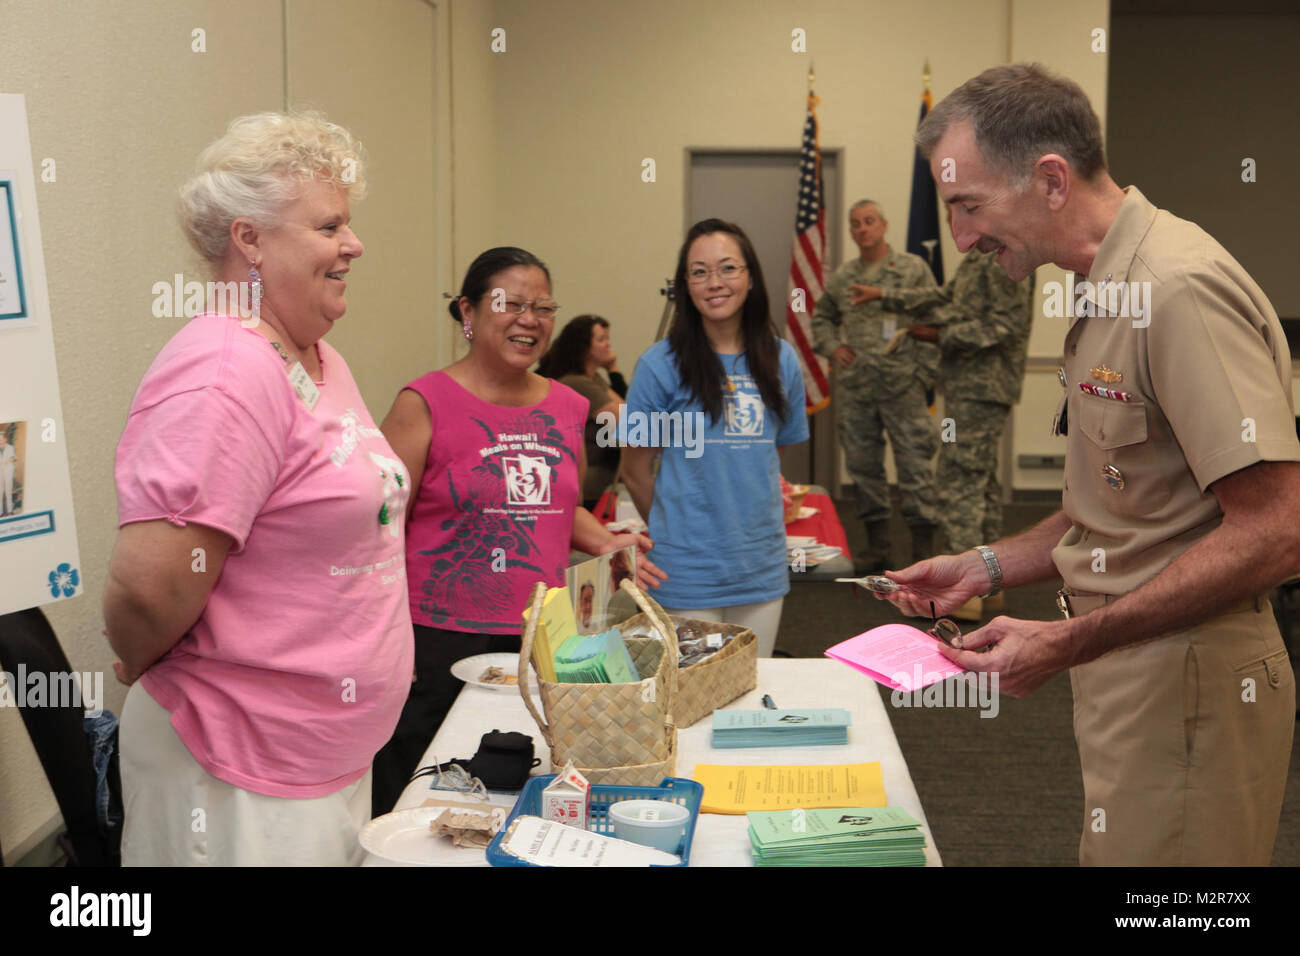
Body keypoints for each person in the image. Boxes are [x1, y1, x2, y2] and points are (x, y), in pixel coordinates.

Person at [882, 63, 1298, 866]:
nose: (963, 238)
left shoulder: (1172, 289)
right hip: (1137, 669)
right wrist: (987, 564)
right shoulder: (1104, 290)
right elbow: (1115, 504)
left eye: (969, 206)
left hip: (1191, 679)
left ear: (1048, 179)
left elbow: (1279, 529)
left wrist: (1070, 641)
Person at [104, 112, 409, 865]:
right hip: (238, 770)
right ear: (250, 240)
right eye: (329, 225)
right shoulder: (223, 367)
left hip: (320, 760)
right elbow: (148, 593)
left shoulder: (317, 358)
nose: (353, 244)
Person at [373, 247, 664, 816]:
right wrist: (378, 631)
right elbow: (377, 525)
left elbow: (550, 504)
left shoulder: (567, 405)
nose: (529, 319)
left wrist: (606, 541)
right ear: (468, 312)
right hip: (436, 638)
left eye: (543, 307)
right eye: (510, 303)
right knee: (423, 787)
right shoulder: (423, 402)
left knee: (523, 780)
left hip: (541, 633)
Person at [622, 218, 808, 658]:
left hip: (759, 565)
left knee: (749, 689)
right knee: (692, 700)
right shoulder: (659, 365)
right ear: (685, 286)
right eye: (699, 272)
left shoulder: (782, 360)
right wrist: (676, 531)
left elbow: (769, 457)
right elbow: (633, 471)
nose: (714, 282)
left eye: (727, 268)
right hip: (685, 569)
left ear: (750, 278)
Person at [853, 219, 1034, 621]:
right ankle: (988, 588)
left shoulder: (1007, 257)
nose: (959, 228)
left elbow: (1006, 326)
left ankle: (962, 594)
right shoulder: (981, 259)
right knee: (981, 483)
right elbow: (944, 298)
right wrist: (883, 295)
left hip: (982, 388)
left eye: (966, 214)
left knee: (959, 483)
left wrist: (938, 336)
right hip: (968, 385)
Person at [811, 200, 940, 571]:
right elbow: (822, 319)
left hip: (903, 386)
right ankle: (878, 547)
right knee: (864, 467)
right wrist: (834, 347)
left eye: (869, 222)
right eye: (855, 224)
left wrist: (923, 373)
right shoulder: (844, 276)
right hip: (857, 390)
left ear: (884, 225)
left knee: (915, 466)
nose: (862, 229)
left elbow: (934, 317)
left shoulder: (911, 269)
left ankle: (923, 551)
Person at [537, 314, 627, 509]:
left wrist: (612, 368)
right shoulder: (577, 383)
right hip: (589, 488)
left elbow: (627, 407)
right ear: (584, 347)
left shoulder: (593, 379)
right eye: (601, 339)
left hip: (600, 482)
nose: (608, 345)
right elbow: (629, 422)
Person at [0, 428, 15, 516]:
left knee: (8, 491)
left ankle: (10, 511)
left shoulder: (10, 448)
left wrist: (9, 460)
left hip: (8, 472)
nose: (0, 441)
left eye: (1, 439)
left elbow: (13, 458)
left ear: (5, 439)